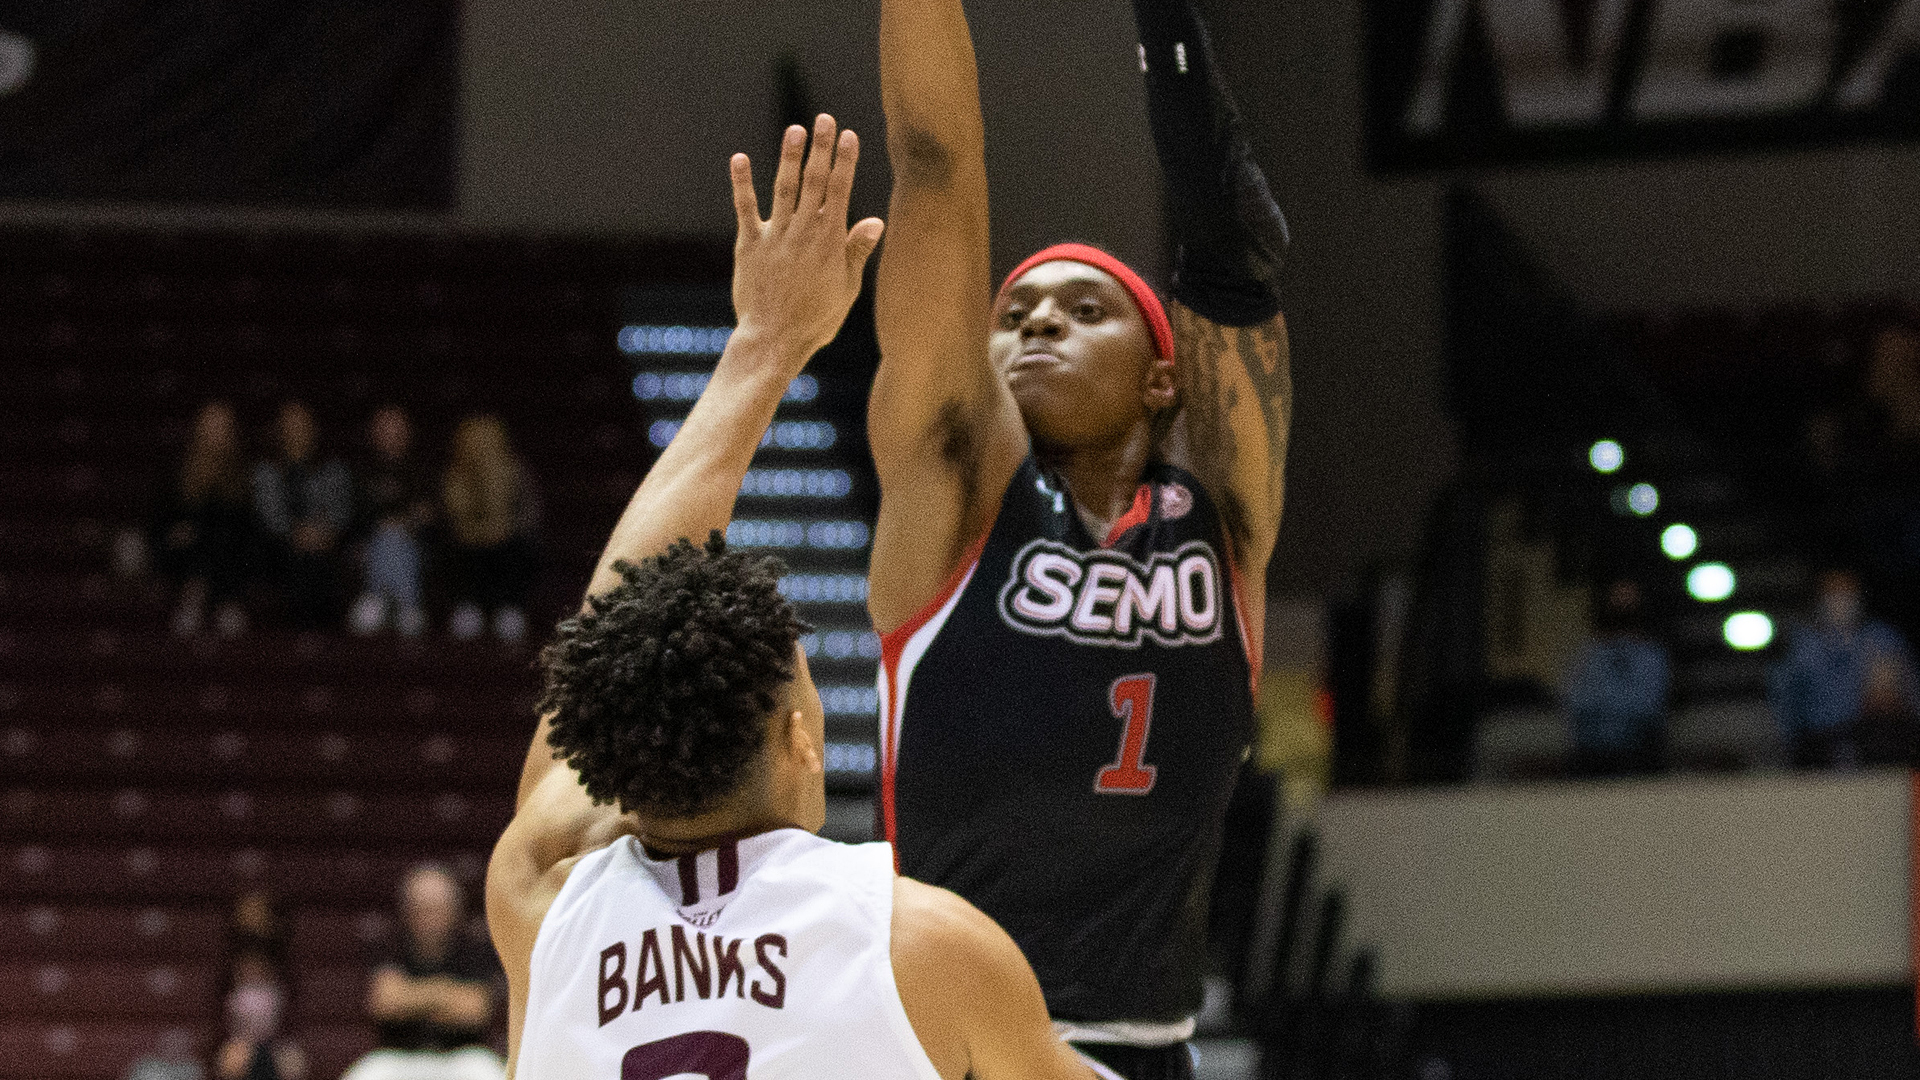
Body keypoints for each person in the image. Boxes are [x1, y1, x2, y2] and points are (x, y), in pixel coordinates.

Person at [486, 114, 1091, 1080]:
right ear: (801, 739)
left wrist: (763, 347)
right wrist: (771, 342)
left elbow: (608, 647)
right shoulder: (926, 944)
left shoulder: (541, 900)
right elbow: (609, 641)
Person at [867, 0, 1291, 1072]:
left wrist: (1168, 26)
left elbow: (1231, 253)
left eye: (1085, 309)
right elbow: (935, 166)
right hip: (950, 1048)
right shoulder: (955, 497)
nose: (1040, 322)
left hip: (1148, 1045)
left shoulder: (1222, 521)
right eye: (1013, 316)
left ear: (1162, 380)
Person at [339, 863, 504, 1080]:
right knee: (364, 1075)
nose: (430, 916)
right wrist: (445, 992)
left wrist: (411, 997)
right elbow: (386, 1002)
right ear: (407, 910)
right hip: (398, 1056)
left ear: (455, 910)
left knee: (489, 1072)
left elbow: (473, 1011)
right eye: (422, 907)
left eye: (438, 907)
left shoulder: (475, 947)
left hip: (460, 1056)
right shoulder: (389, 943)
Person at [1770, 569, 1920, 768]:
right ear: (1819, 598)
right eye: (1833, 593)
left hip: (1872, 742)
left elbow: (1897, 698)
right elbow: (1785, 704)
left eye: (1847, 592)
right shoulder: (1802, 644)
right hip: (1817, 746)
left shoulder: (1881, 638)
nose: (1840, 600)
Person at [152, 400, 253, 639]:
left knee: (219, 540)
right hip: (186, 552)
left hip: (229, 551)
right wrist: (177, 532)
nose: (215, 433)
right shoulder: (178, 471)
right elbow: (160, 520)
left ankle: (222, 601)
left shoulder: (245, 473)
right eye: (210, 425)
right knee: (196, 542)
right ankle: (197, 599)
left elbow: (245, 523)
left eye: (222, 426)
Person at [252, 401, 353, 628]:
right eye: (290, 424)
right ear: (279, 430)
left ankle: (322, 634)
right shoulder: (267, 470)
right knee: (300, 561)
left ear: (314, 428)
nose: (296, 430)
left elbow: (340, 512)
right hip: (280, 547)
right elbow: (271, 516)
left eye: (302, 424)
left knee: (317, 561)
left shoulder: (334, 468)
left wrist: (323, 533)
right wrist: (296, 533)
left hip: (326, 545)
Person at [441, 415, 539, 643]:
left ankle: (509, 608)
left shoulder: (516, 473)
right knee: (459, 550)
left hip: (508, 542)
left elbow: (530, 514)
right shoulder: (453, 476)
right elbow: (450, 519)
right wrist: (474, 531)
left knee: (516, 550)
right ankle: (468, 607)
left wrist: (505, 528)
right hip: (467, 545)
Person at [1562, 580, 1669, 777]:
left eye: (1628, 604)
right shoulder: (1590, 654)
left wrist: (1612, 707)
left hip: (1639, 753)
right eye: (1617, 603)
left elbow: (1649, 706)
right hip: (1591, 754)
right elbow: (1576, 701)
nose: (1622, 609)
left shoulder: (1651, 655)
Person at [350, 405, 434, 637]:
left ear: (407, 431)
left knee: (394, 538)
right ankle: (406, 604)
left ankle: (379, 598)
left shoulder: (422, 469)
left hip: (414, 543)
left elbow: (429, 514)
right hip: (371, 544)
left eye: (396, 426)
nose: (390, 432)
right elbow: (355, 515)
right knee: (387, 538)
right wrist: (383, 524)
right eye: (383, 427)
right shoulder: (361, 469)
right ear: (373, 432)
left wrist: (405, 522)